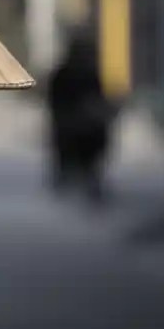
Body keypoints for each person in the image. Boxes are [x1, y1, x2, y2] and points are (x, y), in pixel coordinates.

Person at [45, 29, 117, 204]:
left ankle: (86, 181)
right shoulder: (64, 74)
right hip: (69, 128)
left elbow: (97, 98)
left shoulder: (87, 74)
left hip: (86, 129)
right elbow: (56, 103)